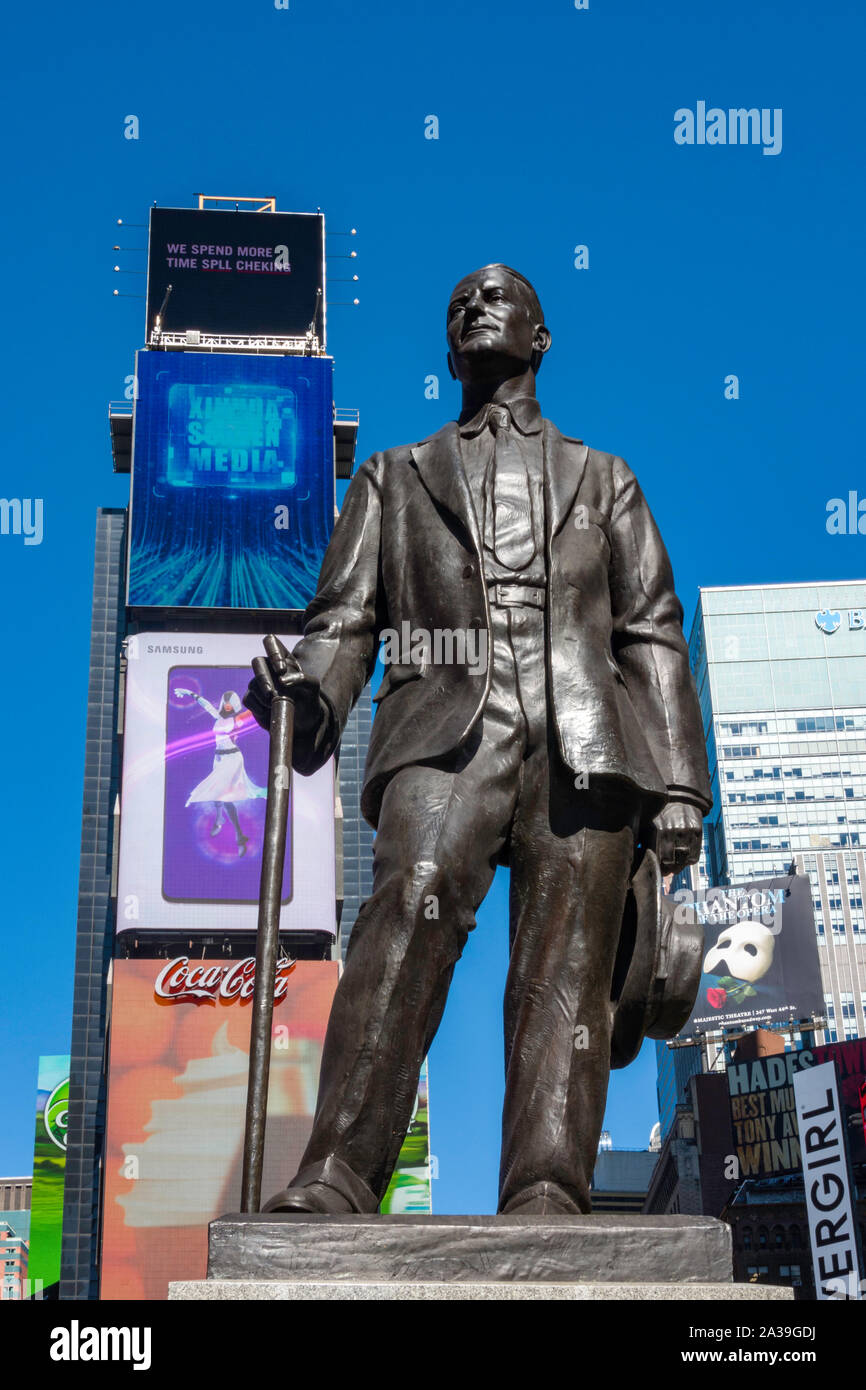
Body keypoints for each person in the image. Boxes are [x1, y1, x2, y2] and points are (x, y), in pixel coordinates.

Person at [245, 264, 711, 1216]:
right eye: (457, 301)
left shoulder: (605, 477)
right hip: (445, 720)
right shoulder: (394, 475)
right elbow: (346, 619)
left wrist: (676, 790)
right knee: (405, 910)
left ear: (540, 339)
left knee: (568, 964)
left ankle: (546, 1185)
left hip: (582, 735)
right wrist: (315, 692)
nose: (470, 307)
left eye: (494, 297)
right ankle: (337, 1171)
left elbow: (650, 628)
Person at [174, 688, 264, 857]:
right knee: (219, 793)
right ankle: (234, 830)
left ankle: (224, 823)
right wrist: (189, 693)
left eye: (231, 703)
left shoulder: (237, 719)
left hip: (232, 759)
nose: (228, 706)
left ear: (235, 705)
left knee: (223, 795)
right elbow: (207, 705)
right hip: (219, 759)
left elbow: (253, 712)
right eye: (226, 703)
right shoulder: (219, 717)